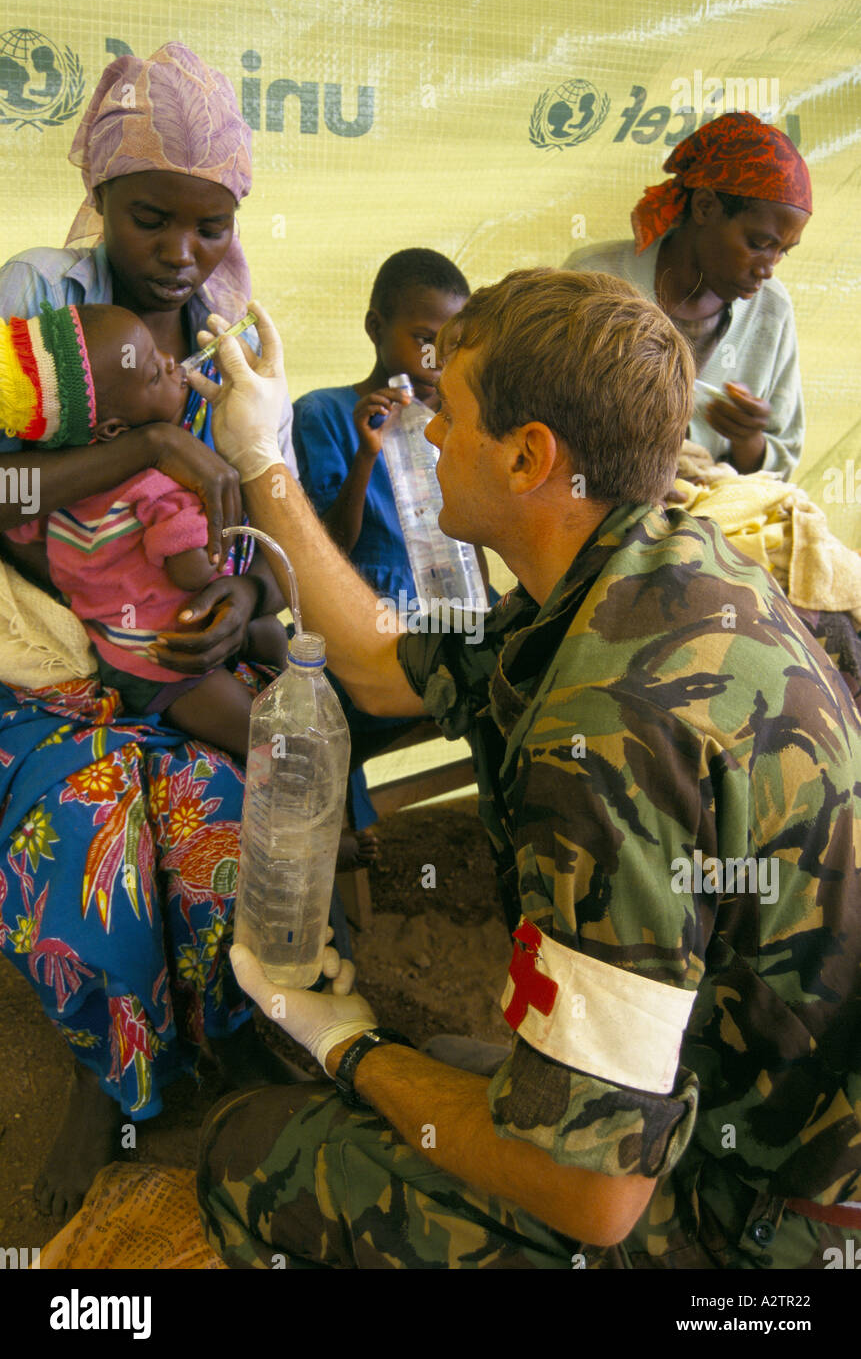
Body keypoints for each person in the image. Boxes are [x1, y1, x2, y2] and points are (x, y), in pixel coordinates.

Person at [194, 282, 860, 1269]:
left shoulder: (606, 728)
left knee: (254, 1155)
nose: (427, 441)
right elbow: (381, 664)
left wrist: (349, 1044)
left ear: (527, 454)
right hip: (773, 1114)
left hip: (769, 1226)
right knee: (465, 1083)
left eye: (448, 415)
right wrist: (266, 457)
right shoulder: (654, 564)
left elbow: (595, 1197)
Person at [0, 42, 300, 1227]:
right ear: (99, 197)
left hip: (178, 645)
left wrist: (237, 600)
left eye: (210, 225)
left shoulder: (230, 329)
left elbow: (248, 520)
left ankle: (241, 1051)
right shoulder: (35, 301)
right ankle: (113, 1086)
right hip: (44, 664)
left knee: (230, 815)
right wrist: (150, 444)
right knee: (92, 837)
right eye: (150, 218)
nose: (182, 253)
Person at [2, 301, 287, 759]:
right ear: (115, 429)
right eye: (154, 373)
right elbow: (193, 574)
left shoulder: (62, 490)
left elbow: (23, 537)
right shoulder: (159, 489)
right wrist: (220, 533)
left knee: (266, 631)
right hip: (169, 663)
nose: (173, 363)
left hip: (116, 652)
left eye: (158, 354)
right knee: (267, 743)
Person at [292, 247, 477, 833]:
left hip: (449, 623)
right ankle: (344, 826)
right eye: (422, 337)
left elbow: (470, 539)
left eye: (448, 347)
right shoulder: (323, 414)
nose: (433, 359)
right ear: (376, 327)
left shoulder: (453, 424)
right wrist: (366, 457)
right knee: (313, 707)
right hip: (363, 627)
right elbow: (328, 548)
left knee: (511, 687)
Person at [565, 111, 811, 479]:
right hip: (596, 506)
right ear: (705, 206)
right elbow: (544, 412)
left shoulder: (771, 311)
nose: (768, 268)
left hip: (713, 525)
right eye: (759, 244)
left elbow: (778, 464)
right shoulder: (594, 280)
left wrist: (748, 437)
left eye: (783, 251)